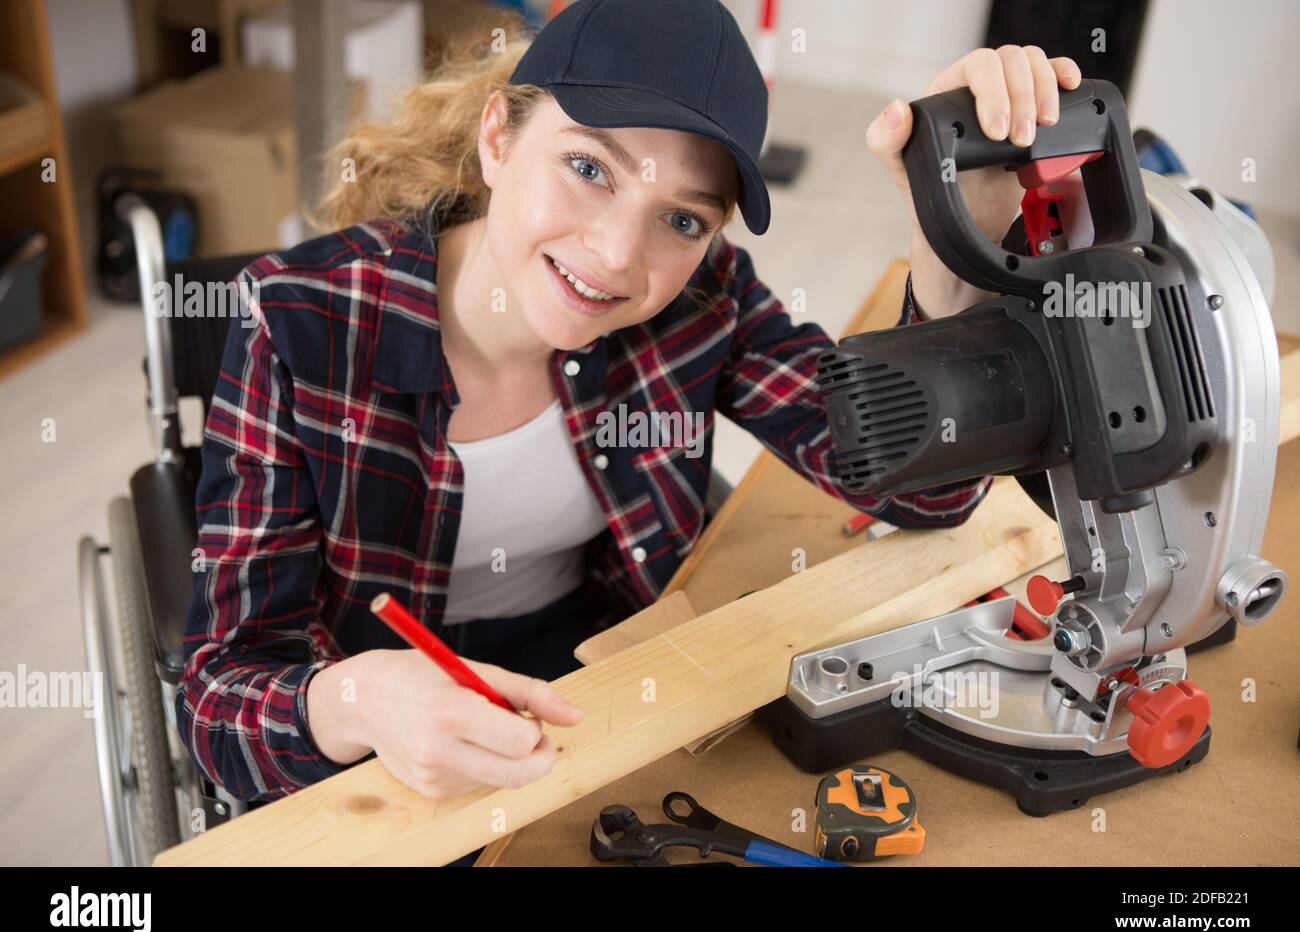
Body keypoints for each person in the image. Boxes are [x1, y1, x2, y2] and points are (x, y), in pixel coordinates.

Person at [177, 0, 1080, 810]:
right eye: (588, 168)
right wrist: (362, 699)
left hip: (604, 668)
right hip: (376, 720)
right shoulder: (303, 321)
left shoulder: (704, 297)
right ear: (498, 136)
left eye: (682, 218)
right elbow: (221, 703)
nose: (615, 256)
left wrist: (948, 229)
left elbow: (926, 494)